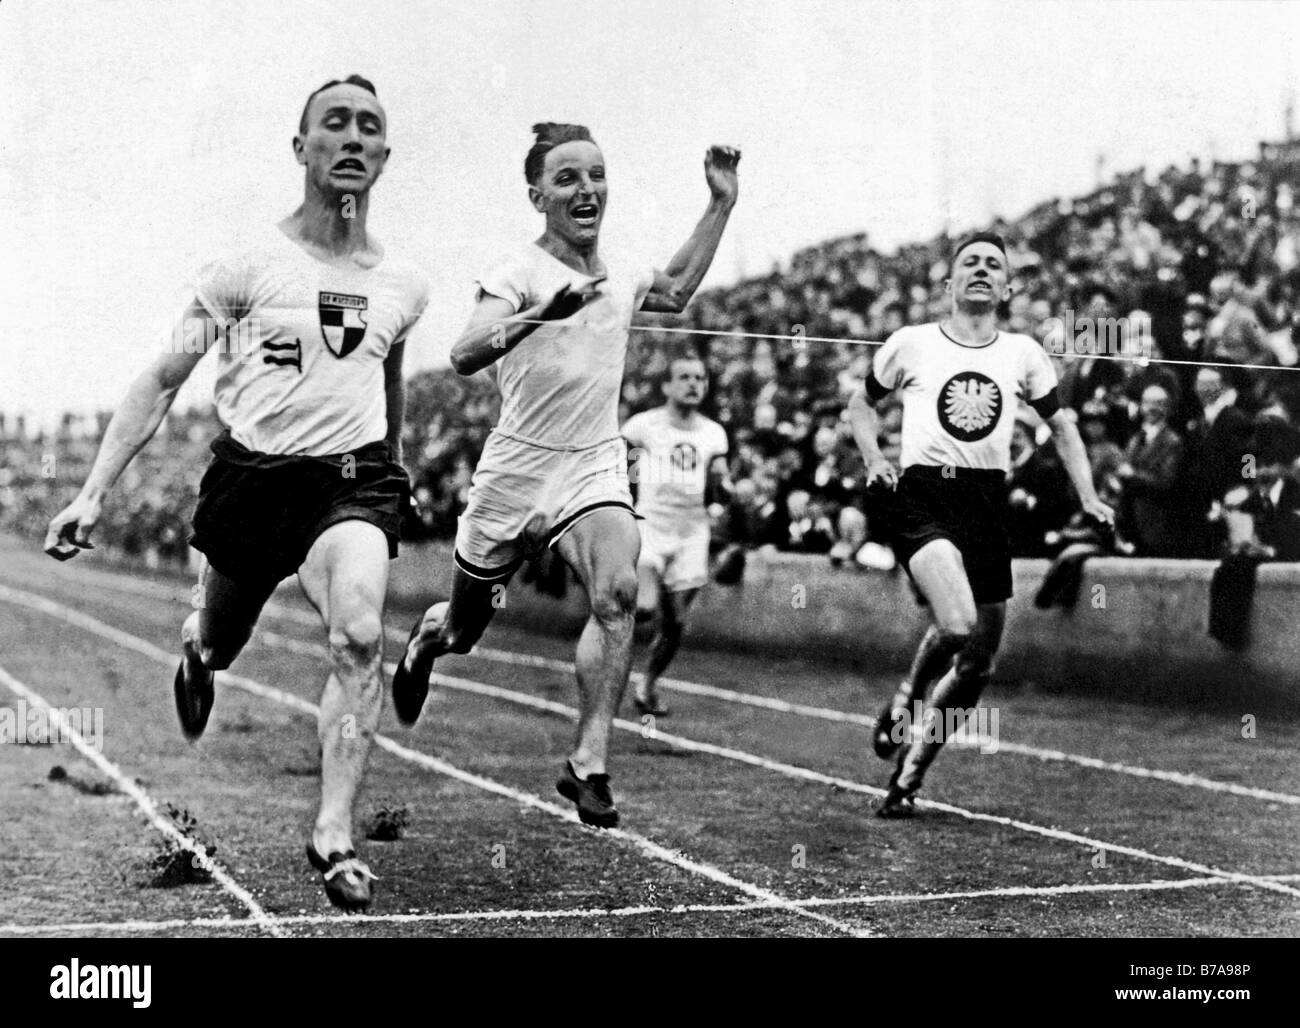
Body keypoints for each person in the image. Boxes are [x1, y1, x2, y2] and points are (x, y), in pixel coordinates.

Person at [43, 76, 428, 910]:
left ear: (386, 157)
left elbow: (387, 385)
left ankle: (333, 831)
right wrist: (93, 493)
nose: (353, 138)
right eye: (336, 124)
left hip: (349, 484)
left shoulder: (404, 285)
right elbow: (162, 378)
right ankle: (199, 653)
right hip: (253, 484)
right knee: (222, 639)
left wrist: (394, 474)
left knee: (360, 636)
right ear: (301, 149)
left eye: (370, 127)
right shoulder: (243, 268)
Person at [390, 123, 740, 828]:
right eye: (568, 178)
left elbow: (672, 292)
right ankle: (427, 644)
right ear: (538, 194)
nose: (587, 190)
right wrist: (535, 316)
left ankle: (589, 764)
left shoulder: (624, 268)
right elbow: (462, 353)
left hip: (591, 463)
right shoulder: (516, 271)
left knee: (618, 591)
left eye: (597, 175)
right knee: (463, 630)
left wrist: (720, 204)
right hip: (516, 469)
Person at [846, 232, 1113, 818]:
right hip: (923, 495)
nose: (982, 270)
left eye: (995, 264)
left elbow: (1063, 428)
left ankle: (909, 776)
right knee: (958, 623)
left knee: (978, 665)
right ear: (948, 284)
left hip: (986, 501)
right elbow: (859, 406)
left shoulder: (1022, 353)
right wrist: (874, 458)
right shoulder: (911, 343)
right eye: (970, 262)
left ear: (1009, 287)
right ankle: (905, 700)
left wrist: (1089, 496)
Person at [621, 354, 730, 717]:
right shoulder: (643, 426)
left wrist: (726, 488)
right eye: (684, 377)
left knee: (676, 623)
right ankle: (609, 666)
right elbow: (618, 463)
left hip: (691, 531)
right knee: (646, 607)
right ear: (667, 385)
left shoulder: (713, 432)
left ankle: (648, 684)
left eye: (700, 378)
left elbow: (720, 476)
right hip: (650, 525)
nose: (693, 384)